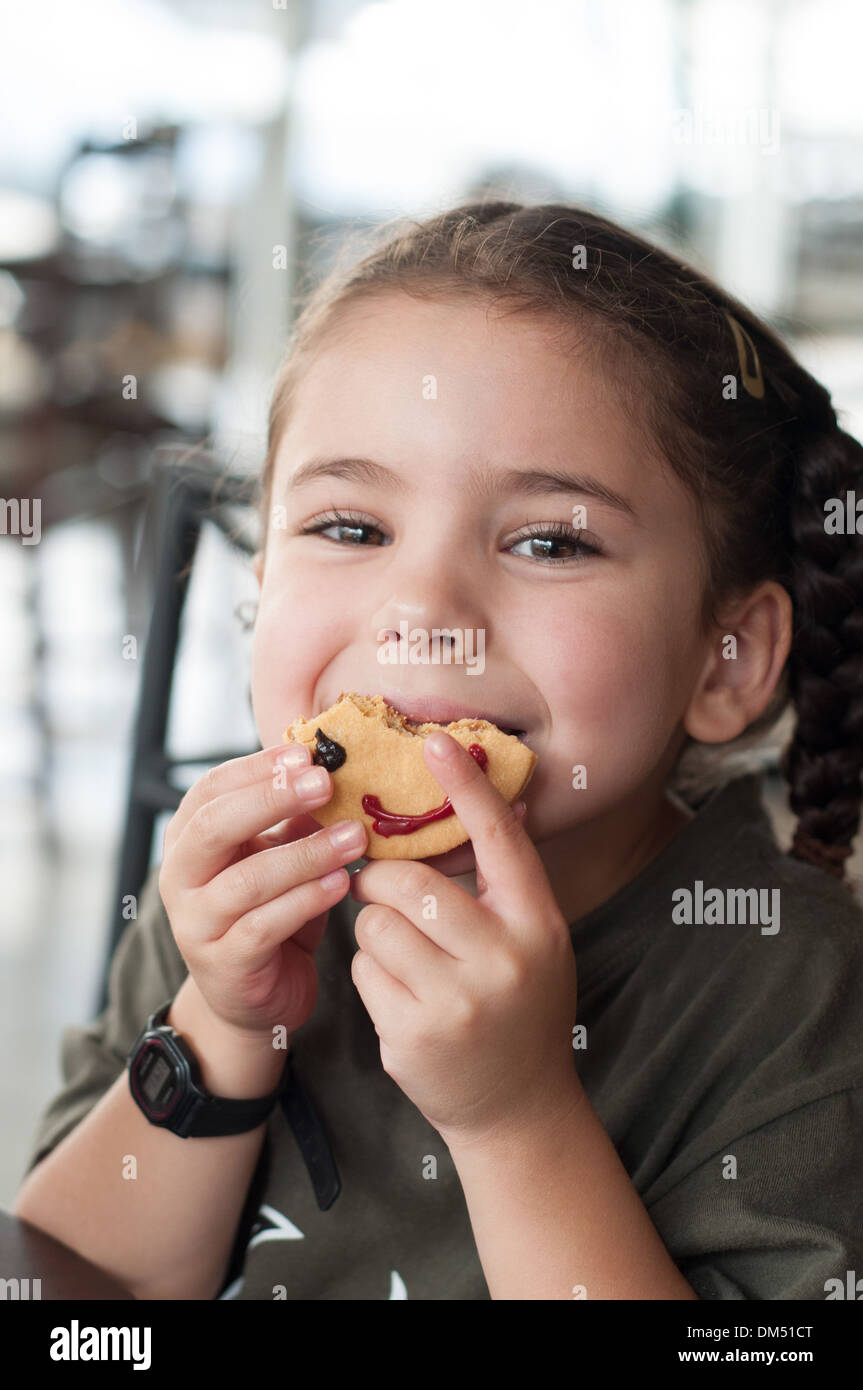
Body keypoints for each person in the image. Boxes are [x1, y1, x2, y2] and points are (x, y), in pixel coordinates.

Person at [15, 200, 863, 1300]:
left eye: (549, 540)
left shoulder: (791, 996)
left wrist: (515, 1117)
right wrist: (219, 1030)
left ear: (723, 657)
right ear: (257, 591)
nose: (421, 609)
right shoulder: (237, 889)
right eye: (349, 527)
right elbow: (70, 1288)